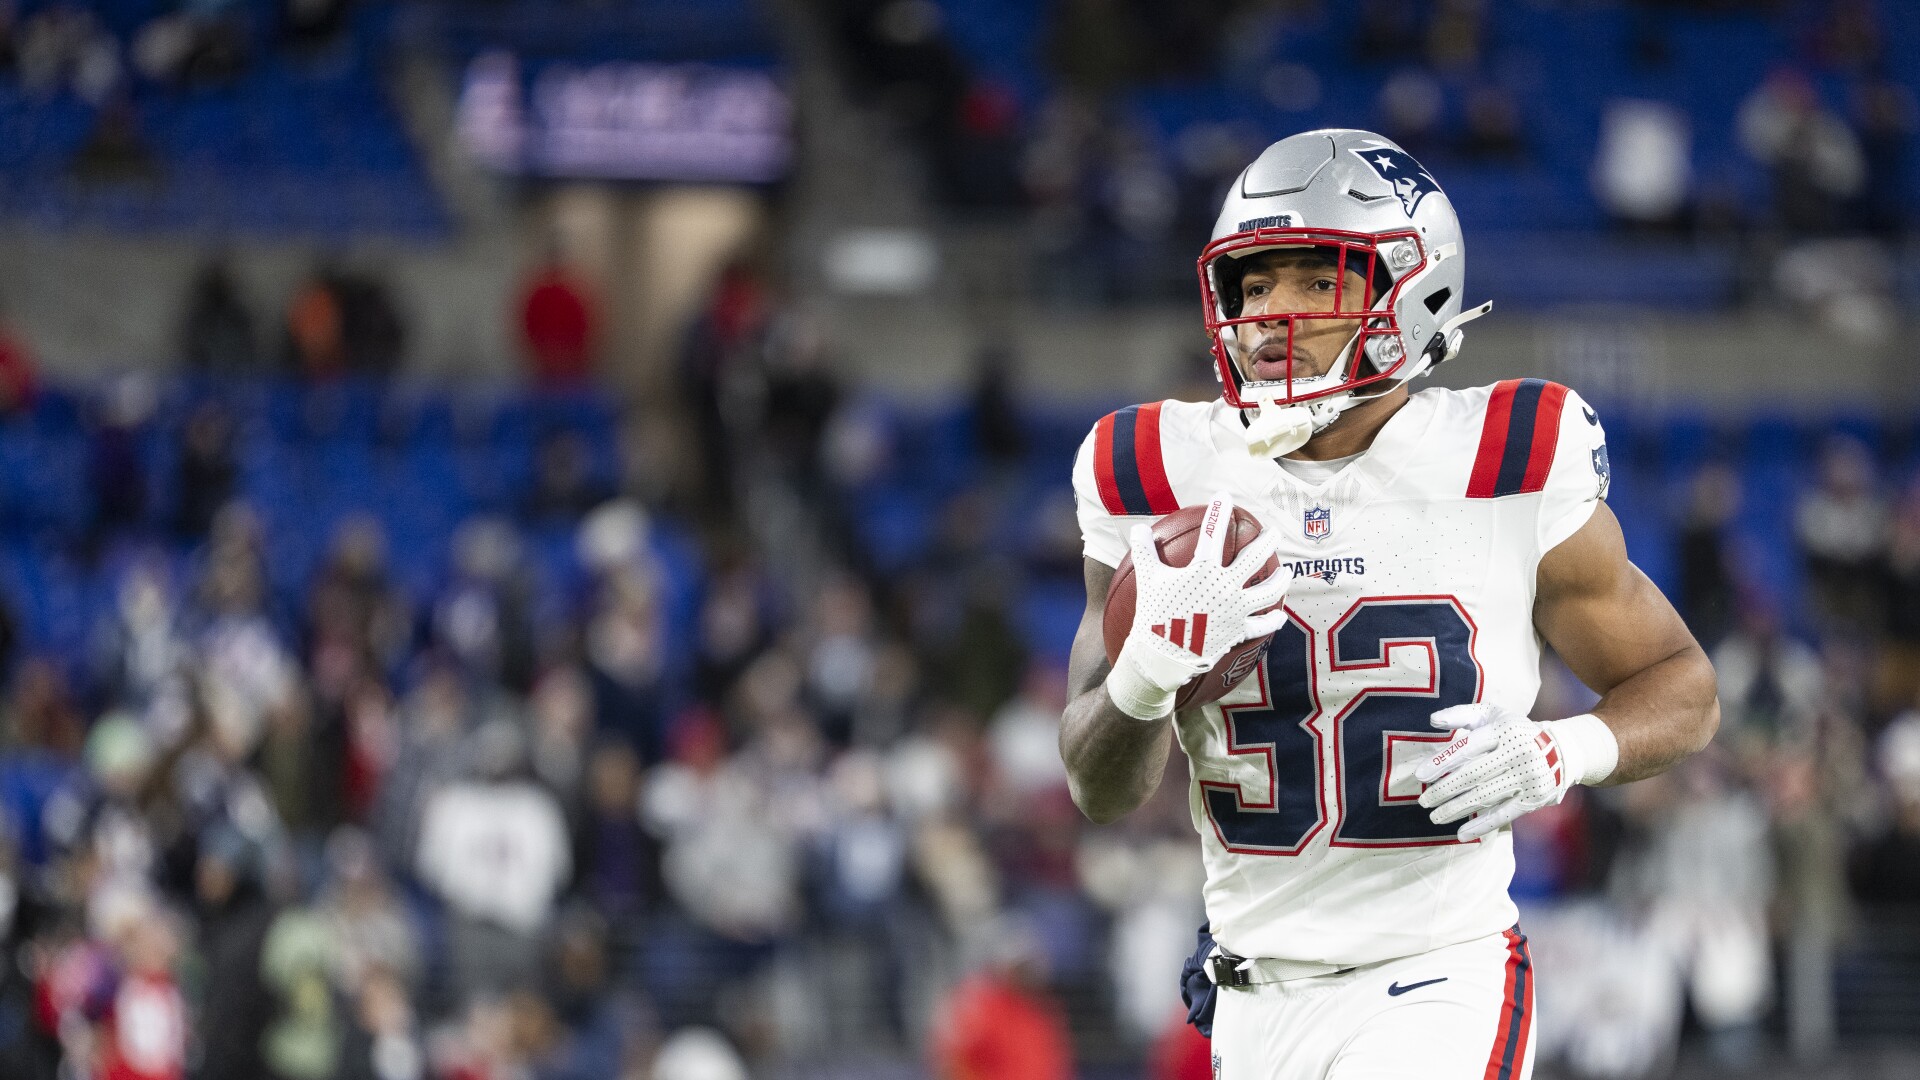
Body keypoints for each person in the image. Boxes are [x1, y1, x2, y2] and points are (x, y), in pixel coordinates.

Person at [1058, 129, 1720, 1080]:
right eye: (1253, 285)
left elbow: (1683, 686)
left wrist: (1560, 751)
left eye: (1315, 280)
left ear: (1414, 293)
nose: (1268, 315)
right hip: (1253, 998)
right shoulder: (1152, 471)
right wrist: (1146, 675)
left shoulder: (1506, 457)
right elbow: (1099, 789)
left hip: (1440, 974)